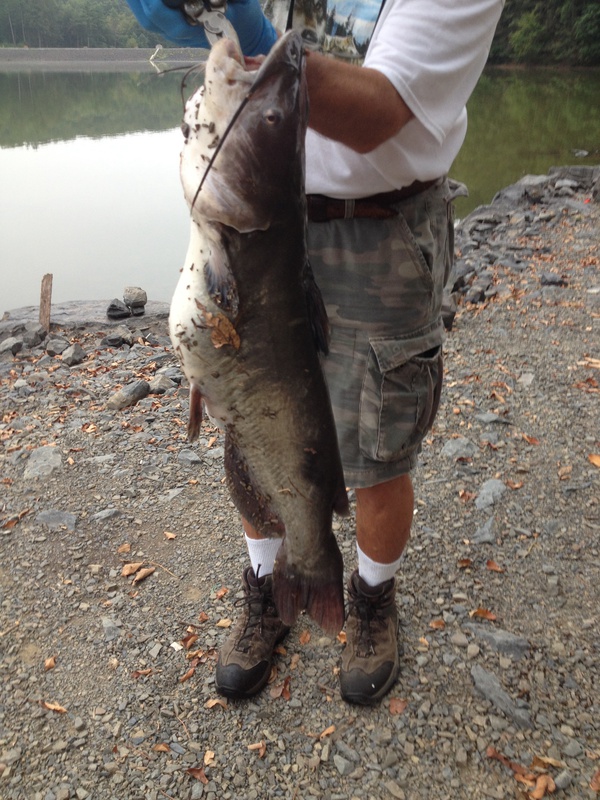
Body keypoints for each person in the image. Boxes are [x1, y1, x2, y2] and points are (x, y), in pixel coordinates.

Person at [126, 0, 504, 705]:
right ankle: (267, 586)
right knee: (253, 422)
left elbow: (379, 111)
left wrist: (272, 56)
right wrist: (210, 17)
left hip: (381, 228)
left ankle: (370, 595)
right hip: (266, 215)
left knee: (380, 447)